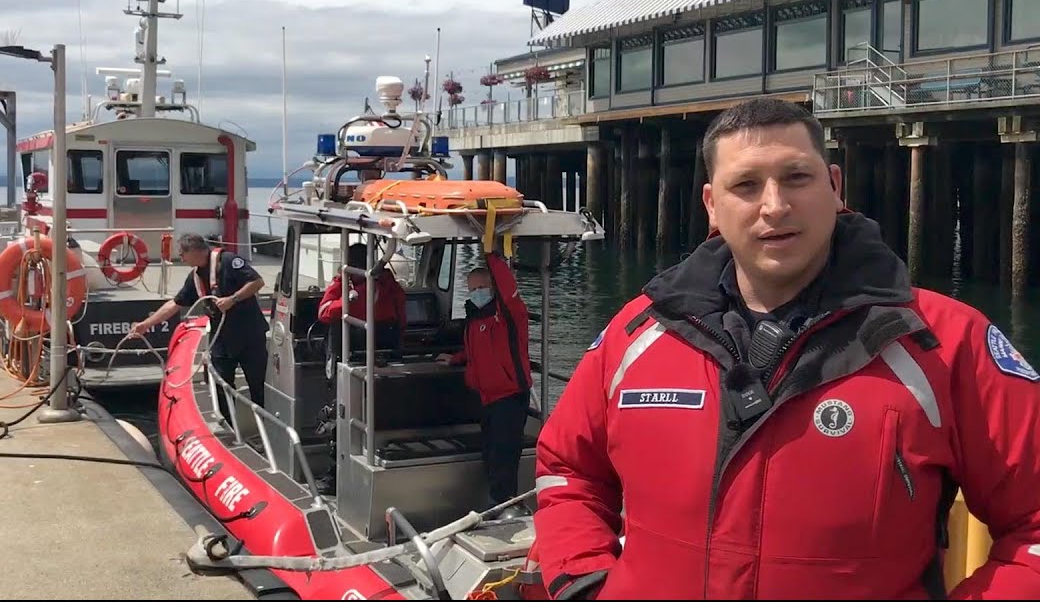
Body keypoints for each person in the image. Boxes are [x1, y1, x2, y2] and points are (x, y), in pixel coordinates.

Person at [533, 97, 1040, 600]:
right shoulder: (638, 332)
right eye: (746, 185)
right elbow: (567, 471)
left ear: (835, 187)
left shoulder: (944, 343)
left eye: (796, 177)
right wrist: (585, 583)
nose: (774, 206)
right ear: (712, 204)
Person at [132, 233, 268, 424]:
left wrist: (233, 299)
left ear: (195, 251)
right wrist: (146, 325)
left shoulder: (229, 261)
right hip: (222, 340)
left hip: (249, 337)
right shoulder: (194, 277)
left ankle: (266, 429)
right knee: (222, 387)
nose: (181, 258)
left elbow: (257, 282)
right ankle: (229, 427)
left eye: (182, 253)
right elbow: (175, 304)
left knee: (258, 386)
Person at [437, 247, 532, 510]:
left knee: (504, 457)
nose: (476, 292)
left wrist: (491, 253)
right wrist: (455, 359)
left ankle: (504, 507)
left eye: (482, 286)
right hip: (488, 398)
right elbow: (475, 351)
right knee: (490, 455)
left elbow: (506, 287)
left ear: (492, 287)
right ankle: (497, 505)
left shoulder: (510, 314)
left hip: (510, 398)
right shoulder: (475, 319)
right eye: (472, 288)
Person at [312, 241, 407, 495]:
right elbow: (323, 312)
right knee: (340, 413)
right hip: (347, 356)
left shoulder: (386, 284)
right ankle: (335, 474)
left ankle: (361, 470)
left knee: (372, 411)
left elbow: (399, 314)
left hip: (380, 356)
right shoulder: (343, 285)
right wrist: (347, 301)